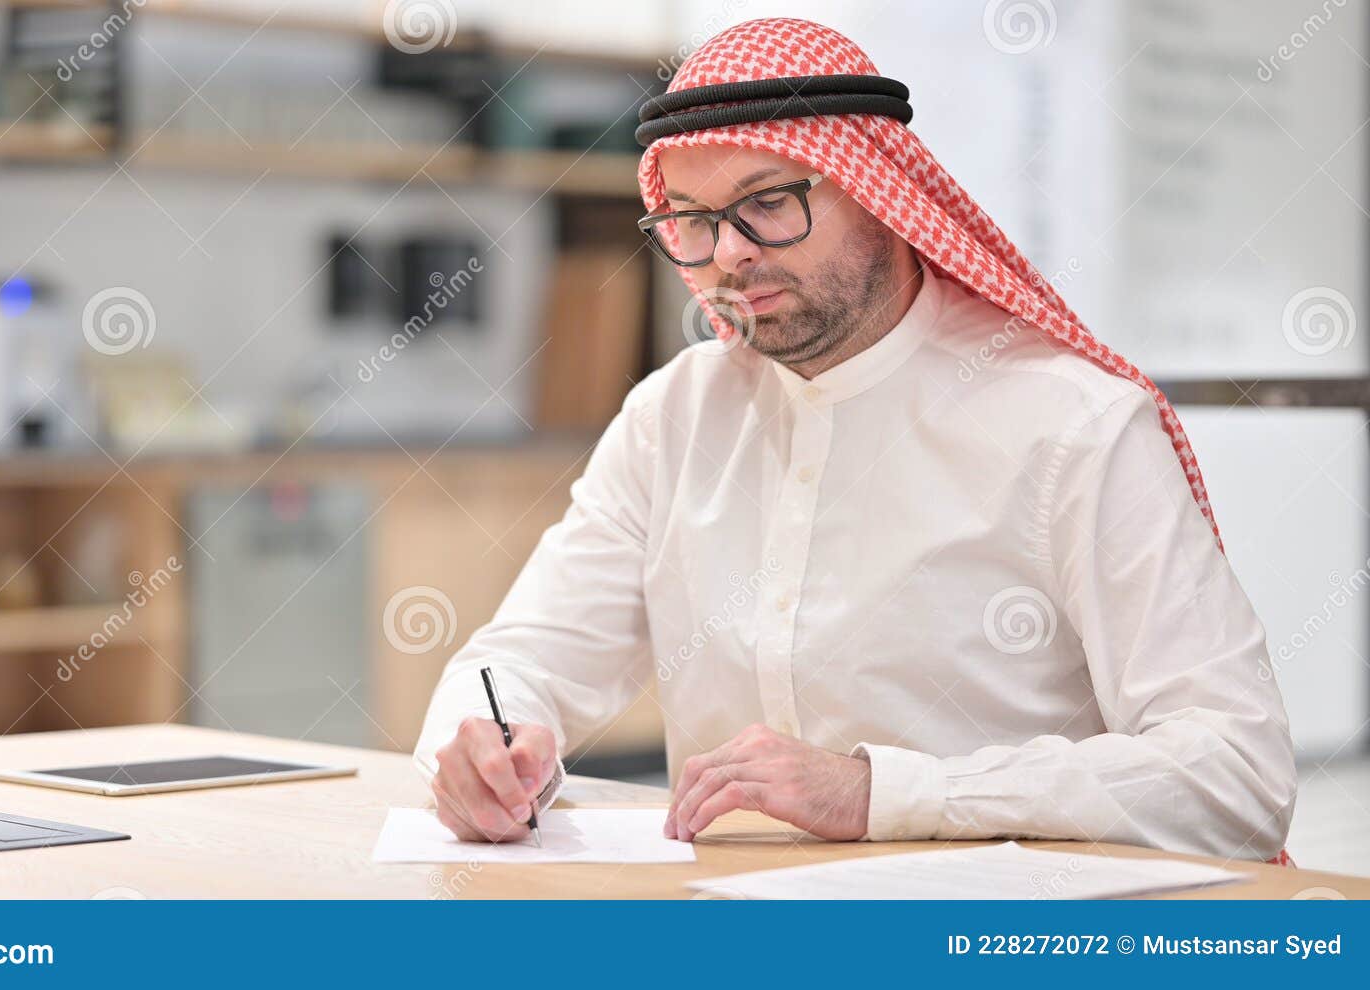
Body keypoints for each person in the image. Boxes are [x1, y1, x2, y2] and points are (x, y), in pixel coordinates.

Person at [414, 17, 1297, 863]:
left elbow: (1232, 773)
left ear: (882, 193)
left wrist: (889, 795)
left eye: (767, 201)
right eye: (691, 219)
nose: (727, 255)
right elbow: (520, 659)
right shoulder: (672, 418)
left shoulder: (1075, 425)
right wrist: (486, 749)